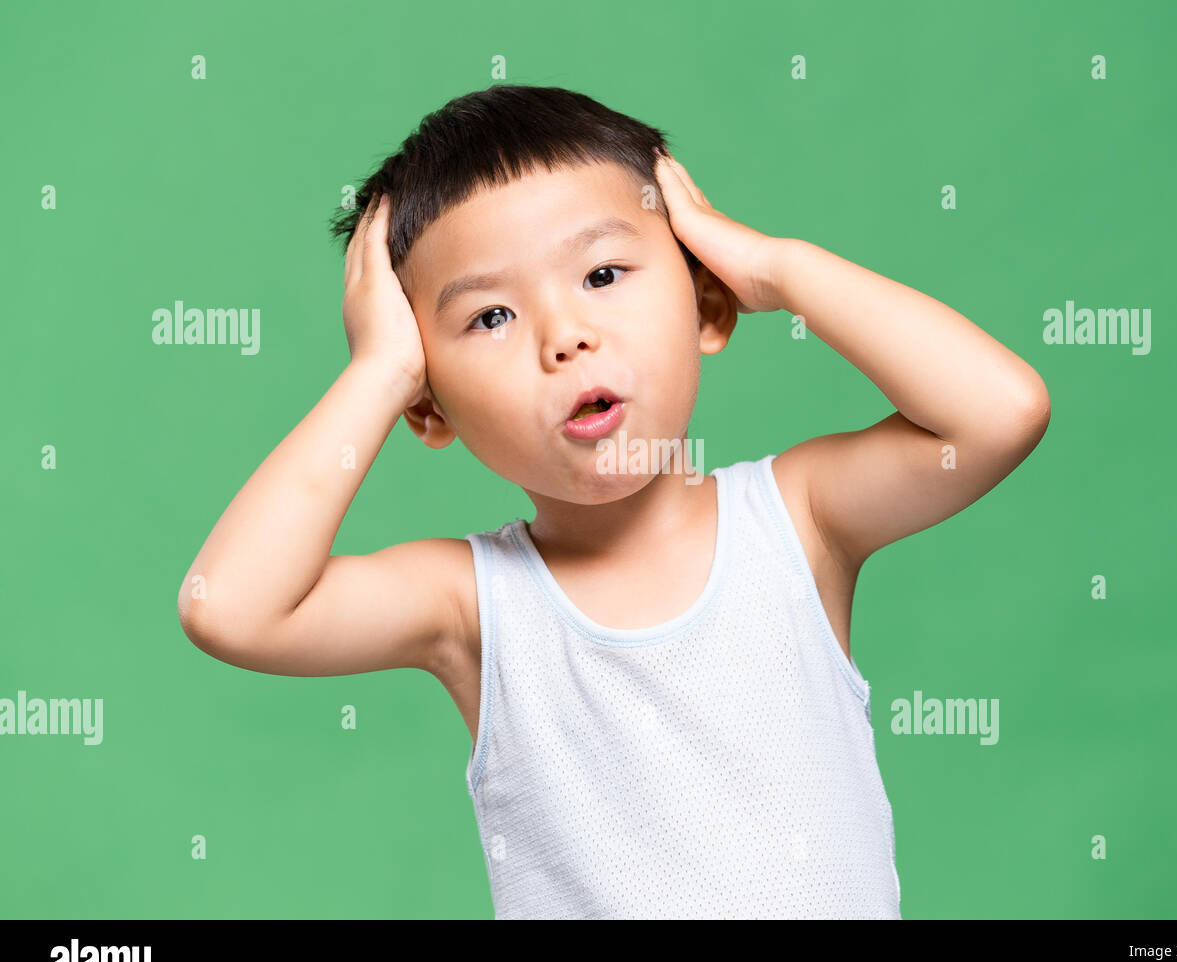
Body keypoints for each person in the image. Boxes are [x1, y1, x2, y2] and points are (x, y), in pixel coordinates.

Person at [177, 84, 1051, 919]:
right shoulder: (473, 604)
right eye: (490, 317)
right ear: (428, 405)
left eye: (602, 273)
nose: (566, 336)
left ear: (709, 300)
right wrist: (377, 370)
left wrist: (773, 267)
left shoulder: (798, 521)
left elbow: (999, 412)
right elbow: (234, 609)